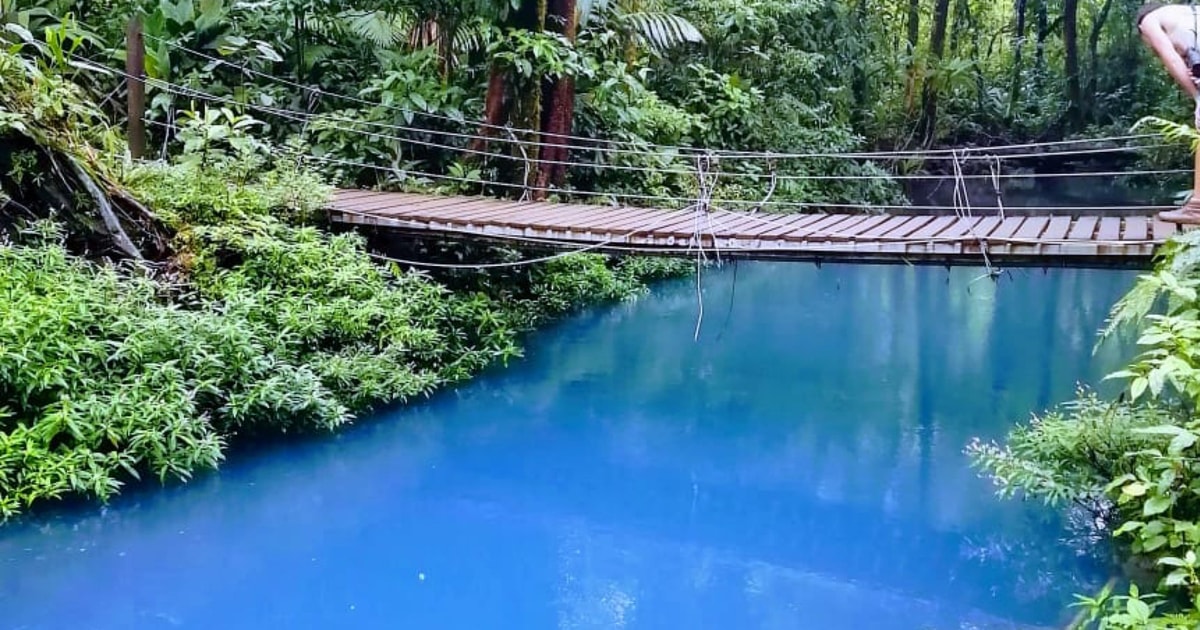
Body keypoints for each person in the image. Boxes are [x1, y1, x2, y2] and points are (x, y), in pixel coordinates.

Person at [1138, 2, 1200, 223]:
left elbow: (1171, 58)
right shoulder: (1185, 13)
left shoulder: (1148, 21)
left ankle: (1197, 207)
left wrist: (1197, 98)